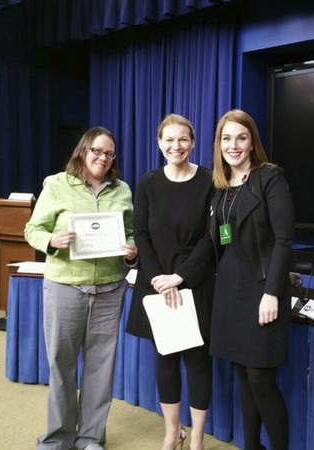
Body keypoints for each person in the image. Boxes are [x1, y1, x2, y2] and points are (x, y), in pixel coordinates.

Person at [24, 127, 138, 450]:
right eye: (97, 151)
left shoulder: (122, 190)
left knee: (101, 367)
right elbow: (32, 229)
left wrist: (131, 251)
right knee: (62, 364)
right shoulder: (57, 184)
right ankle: (58, 438)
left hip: (109, 289)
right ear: (83, 151)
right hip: (66, 286)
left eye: (109, 153)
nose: (103, 157)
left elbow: (130, 233)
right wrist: (52, 240)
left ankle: (90, 438)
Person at [126, 114, 215, 450]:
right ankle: (172, 432)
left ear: (193, 143)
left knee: (198, 361)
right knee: (165, 360)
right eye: (169, 140)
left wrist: (181, 276)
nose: (176, 146)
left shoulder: (210, 181)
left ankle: (197, 438)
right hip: (156, 285)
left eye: (183, 139)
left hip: (196, 282)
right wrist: (159, 279)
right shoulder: (148, 183)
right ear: (159, 143)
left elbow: (213, 237)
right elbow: (141, 234)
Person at [208, 109, 294, 450]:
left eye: (241, 138)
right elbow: (221, 241)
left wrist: (272, 293)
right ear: (219, 144)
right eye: (227, 138)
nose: (234, 145)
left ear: (252, 142)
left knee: (260, 378)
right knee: (243, 375)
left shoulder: (269, 178)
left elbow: (284, 240)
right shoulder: (221, 187)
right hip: (231, 292)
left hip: (263, 292)